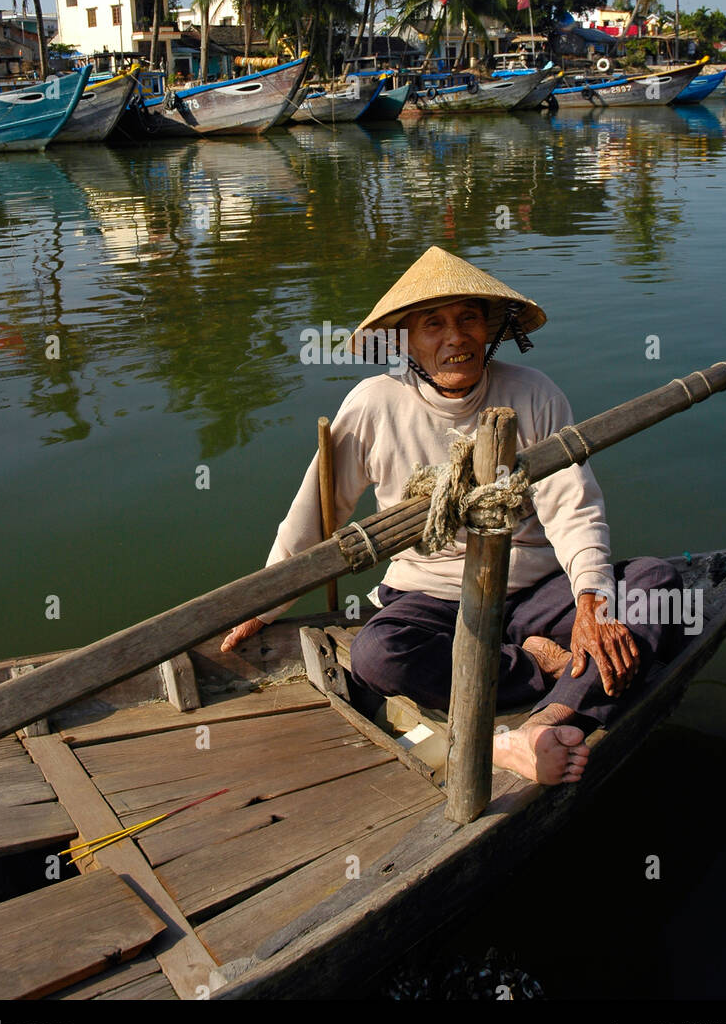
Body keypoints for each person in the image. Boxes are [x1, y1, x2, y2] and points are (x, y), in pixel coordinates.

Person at [222, 247, 682, 786]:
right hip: (430, 601)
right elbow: (316, 517)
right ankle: (537, 670)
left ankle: (544, 724)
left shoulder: (532, 393)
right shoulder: (374, 404)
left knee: (658, 586)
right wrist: (265, 602)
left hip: (534, 592)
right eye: (432, 324)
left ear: (490, 330)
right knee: (377, 655)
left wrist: (591, 602)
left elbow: (572, 509)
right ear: (405, 341)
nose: (455, 338)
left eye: (469, 319)